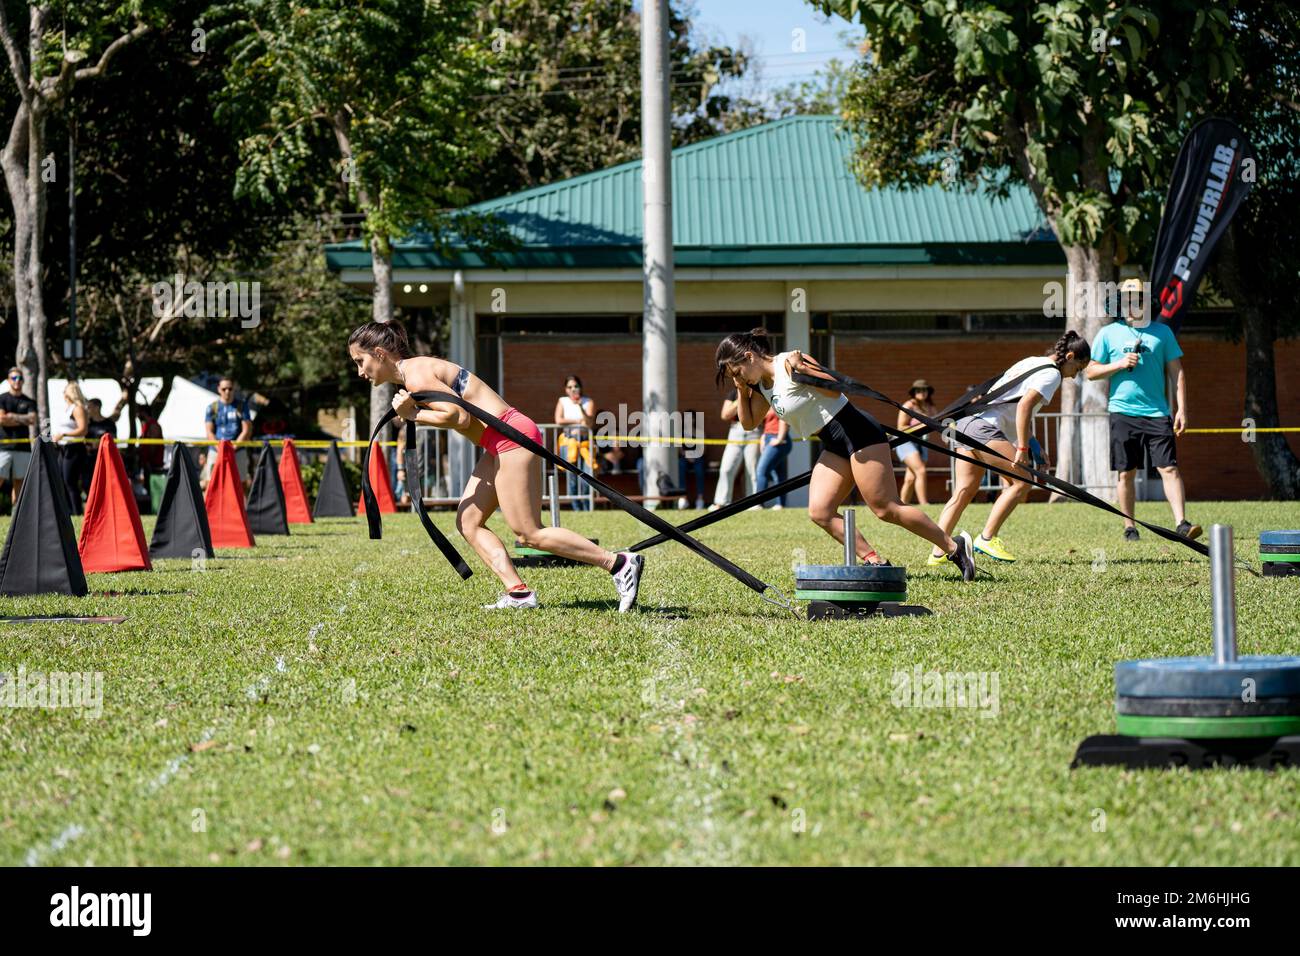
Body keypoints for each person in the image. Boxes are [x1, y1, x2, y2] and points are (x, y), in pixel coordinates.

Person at [347, 320, 644, 612]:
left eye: (361, 361)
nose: (360, 371)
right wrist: (414, 412)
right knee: (469, 521)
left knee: (528, 533)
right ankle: (518, 594)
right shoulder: (415, 370)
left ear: (380, 353)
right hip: (497, 442)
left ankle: (618, 563)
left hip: (510, 438)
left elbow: (458, 417)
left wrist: (413, 415)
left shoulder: (415, 376)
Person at [714, 328, 976, 579]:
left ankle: (954, 547)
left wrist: (802, 369)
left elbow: (835, 389)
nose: (739, 378)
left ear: (749, 356)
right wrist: (740, 388)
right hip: (832, 442)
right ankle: (875, 561)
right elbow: (748, 423)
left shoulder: (790, 362)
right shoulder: (760, 386)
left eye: (737, 372)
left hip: (858, 431)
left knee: (886, 509)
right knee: (820, 511)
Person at [929, 331, 1091, 565]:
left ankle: (937, 552)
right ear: (1069, 356)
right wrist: (1022, 449)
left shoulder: (1032, 362)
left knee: (964, 490)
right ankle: (987, 538)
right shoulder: (1052, 375)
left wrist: (1035, 445)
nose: (1074, 376)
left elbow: (1011, 405)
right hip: (985, 429)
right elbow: (1024, 406)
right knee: (1022, 482)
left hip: (967, 425)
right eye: (1077, 369)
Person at [1086, 278, 1202, 542]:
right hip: (1122, 412)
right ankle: (1130, 527)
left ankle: (1182, 524)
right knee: (1126, 472)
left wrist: (1182, 409)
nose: (1130, 305)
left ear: (1144, 303)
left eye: (1136, 300)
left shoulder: (1163, 333)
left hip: (1157, 413)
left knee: (1169, 468)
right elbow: (1091, 371)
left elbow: (1178, 373)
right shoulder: (1107, 333)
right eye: (1125, 301)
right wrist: (1118, 364)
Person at [708, 386, 761, 511]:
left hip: (755, 431)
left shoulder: (758, 392)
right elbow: (725, 415)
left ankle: (753, 502)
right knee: (726, 468)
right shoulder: (733, 393)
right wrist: (740, 399)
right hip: (736, 431)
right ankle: (721, 502)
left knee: (752, 469)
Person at [202, 376, 253, 491]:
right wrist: (220, 448)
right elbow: (209, 432)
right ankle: (208, 509)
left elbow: (246, 430)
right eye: (224, 389)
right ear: (218, 389)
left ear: (234, 389)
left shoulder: (241, 406)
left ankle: (242, 508)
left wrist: (233, 448)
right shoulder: (212, 407)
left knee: (241, 485)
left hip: (237, 450)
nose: (227, 392)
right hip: (216, 450)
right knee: (210, 484)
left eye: (230, 389)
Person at [554, 375, 596, 511]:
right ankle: (576, 508)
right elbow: (558, 420)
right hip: (569, 443)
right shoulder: (562, 401)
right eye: (570, 387)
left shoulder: (588, 402)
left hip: (585, 444)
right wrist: (578, 422)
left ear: (580, 387)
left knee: (587, 477)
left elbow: (589, 422)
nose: (573, 389)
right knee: (572, 478)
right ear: (566, 389)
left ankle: (587, 507)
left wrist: (581, 408)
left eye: (575, 386)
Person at [895, 379, 937, 505]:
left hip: (922, 443)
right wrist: (921, 427)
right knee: (921, 471)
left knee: (910, 478)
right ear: (914, 392)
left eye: (924, 390)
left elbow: (937, 423)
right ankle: (924, 504)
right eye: (919, 390)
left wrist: (948, 434)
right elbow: (900, 427)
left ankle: (902, 505)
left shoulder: (930, 408)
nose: (922, 393)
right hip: (905, 442)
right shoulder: (908, 406)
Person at [51, 381, 90, 514]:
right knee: (62, 480)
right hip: (63, 449)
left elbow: (83, 430)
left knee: (70, 481)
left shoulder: (78, 408)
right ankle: (66, 511)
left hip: (75, 448)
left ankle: (76, 512)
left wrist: (64, 434)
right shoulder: (67, 409)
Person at [0, 367, 36, 509]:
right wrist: (23, 419)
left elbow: (32, 419)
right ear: (9, 380)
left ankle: (16, 516)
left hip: (23, 447)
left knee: (19, 482)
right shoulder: (2, 398)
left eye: (20, 378)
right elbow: (2, 419)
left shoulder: (29, 401)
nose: (17, 381)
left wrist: (13, 417)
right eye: (14, 378)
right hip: (4, 447)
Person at [755, 408, 791, 509]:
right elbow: (766, 423)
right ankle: (780, 504)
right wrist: (763, 437)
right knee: (779, 474)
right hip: (769, 437)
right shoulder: (766, 402)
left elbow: (784, 419)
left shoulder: (778, 399)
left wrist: (780, 438)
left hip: (778, 438)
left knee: (761, 471)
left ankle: (758, 503)